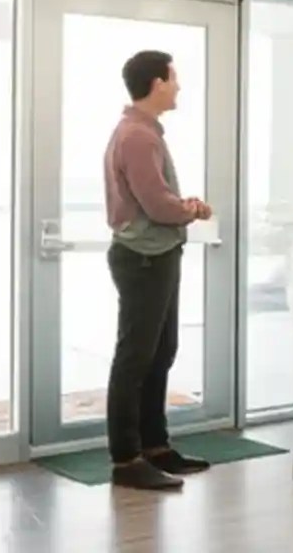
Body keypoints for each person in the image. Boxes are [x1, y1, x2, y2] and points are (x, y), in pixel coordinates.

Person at [104, 50, 212, 491]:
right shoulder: (138, 136)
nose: (179, 86)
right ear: (156, 83)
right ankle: (127, 459)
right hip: (145, 257)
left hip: (157, 255)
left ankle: (155, 446)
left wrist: (182, 209)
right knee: (136, 358)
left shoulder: (144, 132)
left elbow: (158, 199)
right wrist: (190, 210)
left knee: (159, 352)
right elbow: (157, 204)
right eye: (174, 77)